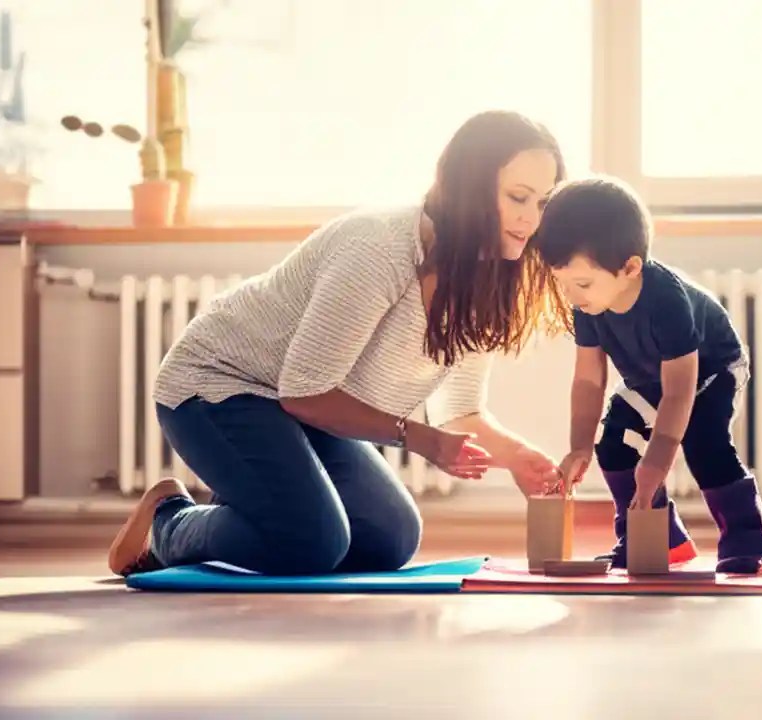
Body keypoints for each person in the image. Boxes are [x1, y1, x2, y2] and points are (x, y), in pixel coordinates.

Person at [108, 110, 569, 577]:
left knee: (392, 538)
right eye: (518, 197)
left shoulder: (485, 280)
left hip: (300, 410)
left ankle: (262, 501)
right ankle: (168, 521)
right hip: (218, 387)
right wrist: (423, 440)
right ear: (470, 186)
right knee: (313, 541)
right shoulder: (379, 249)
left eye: (542, 202)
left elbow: (459, 412)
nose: (531, 220)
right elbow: (303, 391)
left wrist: (518, 460)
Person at [533, 176, 762, 575]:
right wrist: (579, 447)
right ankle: (658, 537)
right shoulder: (588, 303)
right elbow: (589, 379)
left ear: (630, 267)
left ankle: (750, 539)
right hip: (647, 377)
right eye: (562, 284)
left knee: (703, 439)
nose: (572, 297)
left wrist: (657, 462)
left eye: (580, 283)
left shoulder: (667, 302)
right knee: (611, 444)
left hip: (709, 371)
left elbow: (680, 393)